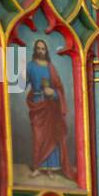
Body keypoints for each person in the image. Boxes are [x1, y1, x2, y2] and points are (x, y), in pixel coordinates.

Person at [25, 39, 72, 179]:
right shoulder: (30, 66)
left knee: (51, 137)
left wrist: (54, 93)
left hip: (50, 106)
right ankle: (38, 167)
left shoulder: (51, 67)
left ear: (46, 51)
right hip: (37, 105)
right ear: (35, 50)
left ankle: (50, 169)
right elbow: (22, 84)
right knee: (38, 137)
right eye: (38, 48)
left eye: (43, 49)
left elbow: (59, 88)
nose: (40, 51)